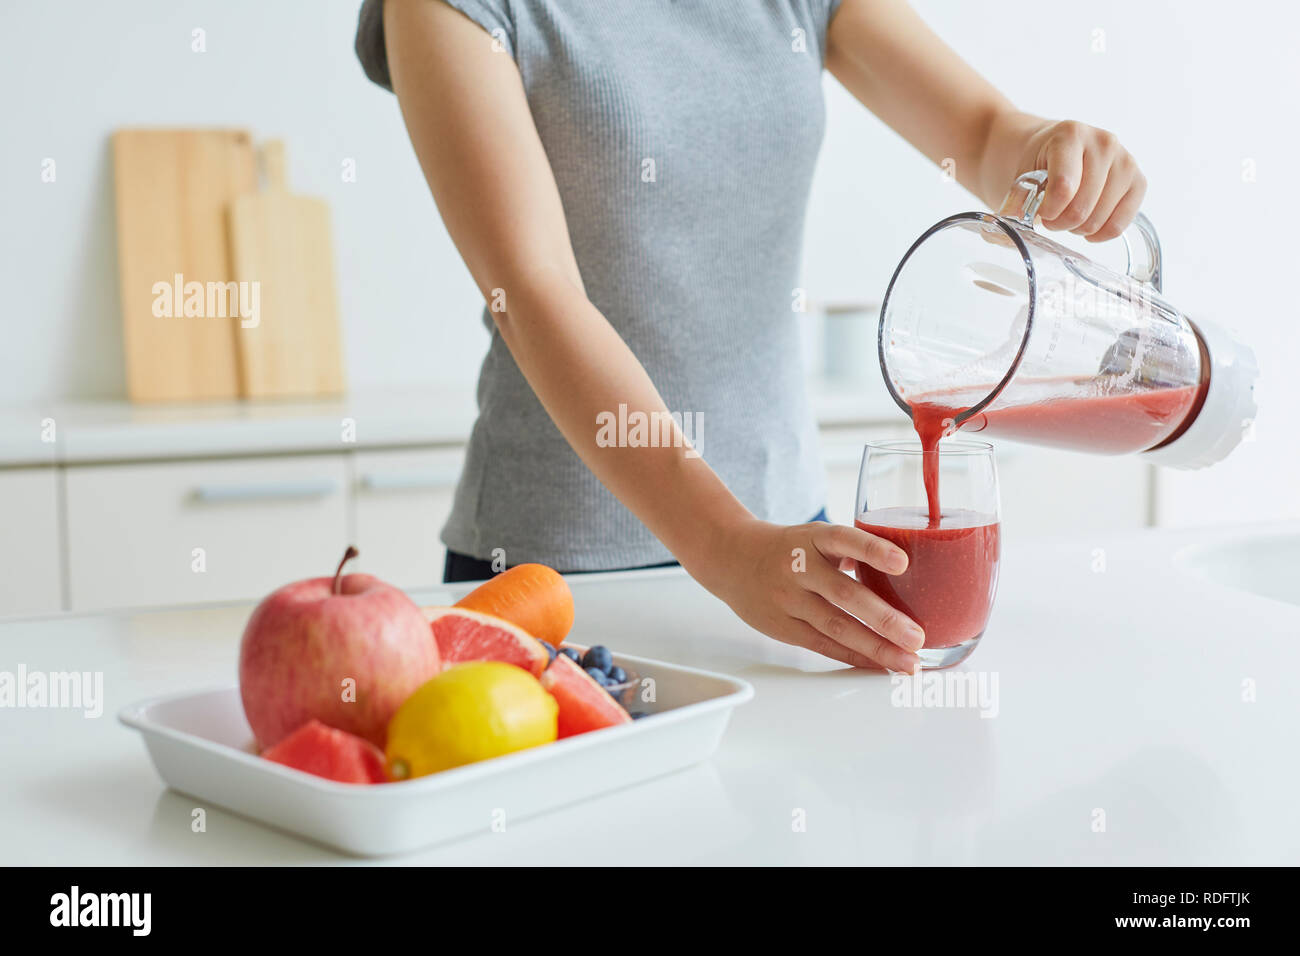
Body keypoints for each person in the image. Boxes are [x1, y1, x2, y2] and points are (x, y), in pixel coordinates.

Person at [355, 0, 1146, 673]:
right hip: (560, 574)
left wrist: (1047, 148)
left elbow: (981, 139)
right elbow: (532, 293)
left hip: (792, 560)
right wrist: (722, 543)